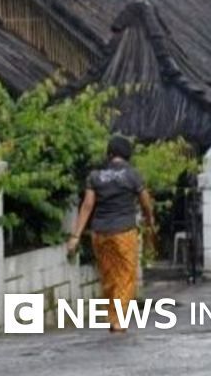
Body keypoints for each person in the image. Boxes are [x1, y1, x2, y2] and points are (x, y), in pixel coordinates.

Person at [67, 134, 156, 332]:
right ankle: (118, 321)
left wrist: (75, 236)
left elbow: (87, 205)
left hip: (100, 233)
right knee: (125, 276)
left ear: (109, 154)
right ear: (127, 155)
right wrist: (149, 221)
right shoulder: (132, 175)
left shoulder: (95, 176)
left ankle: (113, 316)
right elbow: (145, 202)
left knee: (108, 276)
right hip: (124, 232)